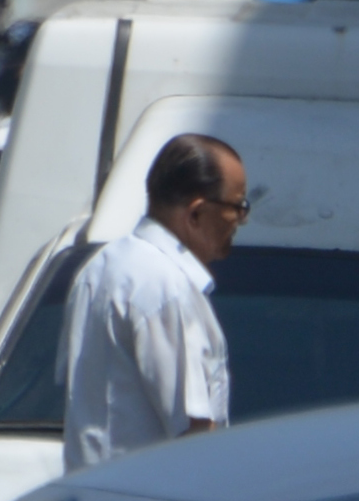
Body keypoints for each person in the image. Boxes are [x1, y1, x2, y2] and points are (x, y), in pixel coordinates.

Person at [61, 130, 246, 469]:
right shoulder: (166, 287)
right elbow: (194, 435)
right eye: (237, 207)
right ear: (196, 213)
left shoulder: (100, 267)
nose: (240, 221)